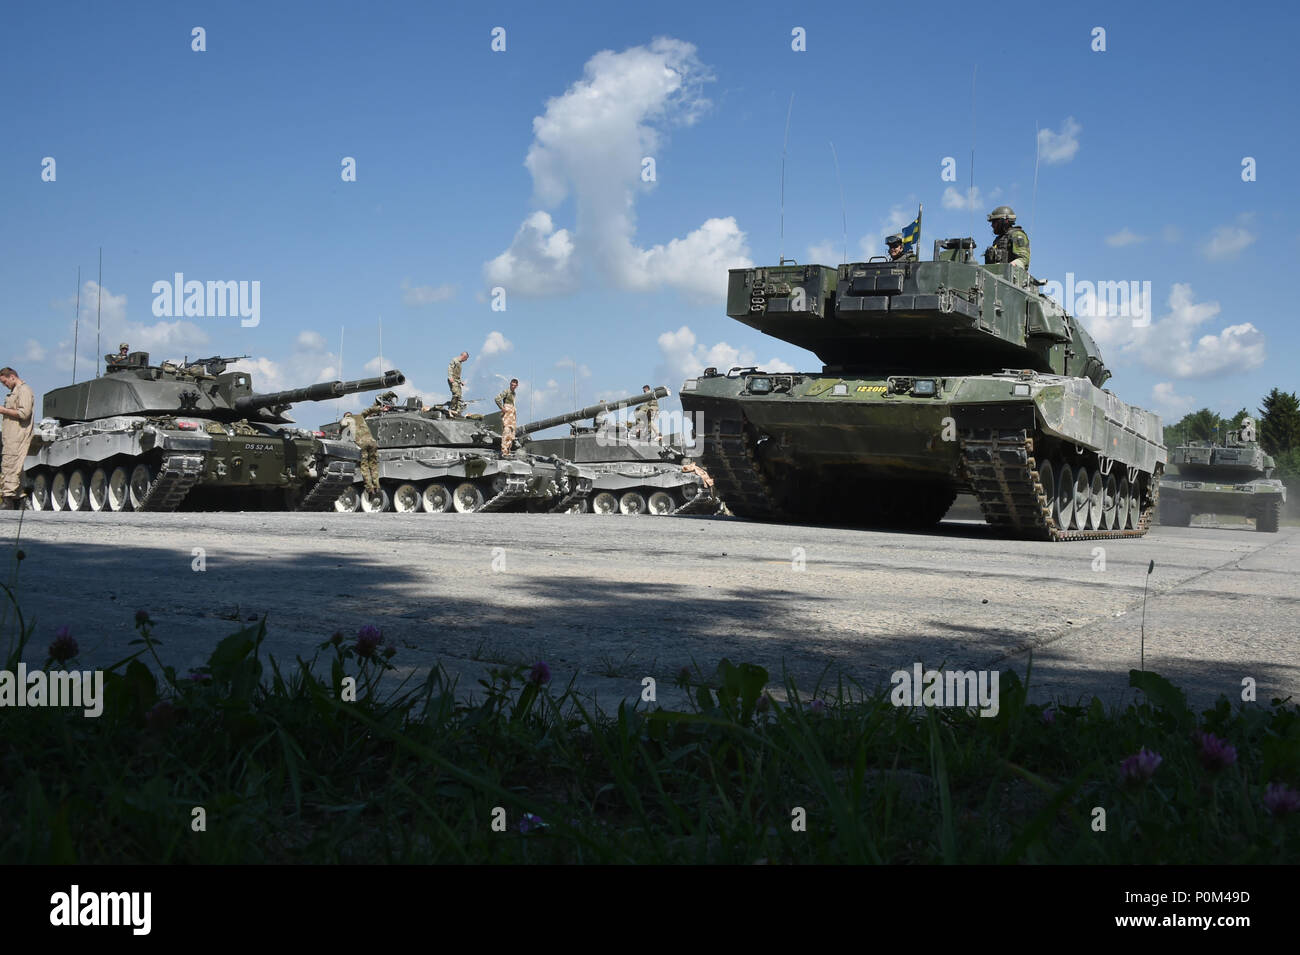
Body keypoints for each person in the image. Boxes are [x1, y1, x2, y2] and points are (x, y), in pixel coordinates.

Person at [0, 367, 36, 509]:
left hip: (17, 436)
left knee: (9, 465)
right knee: (16, 468)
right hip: (11, 436)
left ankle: (7, 498)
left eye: (5, 382)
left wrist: (3, 410)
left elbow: (24, 413)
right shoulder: (15, 392)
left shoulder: (24, 390)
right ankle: (19, 499)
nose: (4, 385)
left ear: (12, 377)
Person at [340, 411, 380, 496]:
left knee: (364, 466)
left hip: (362, 444)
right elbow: (368, 411)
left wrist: (340, 430)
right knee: (373, 465)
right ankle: (377, 485)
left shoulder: (347, 419)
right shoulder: (359, 416)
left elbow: (343, 427)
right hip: (372, 443)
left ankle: (370, 488)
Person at [495, 378, 519, 457]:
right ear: (510, 384)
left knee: (511, 433)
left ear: (516, 386)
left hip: (512, 412)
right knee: (506, 431)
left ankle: (508, 451)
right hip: (507, 411)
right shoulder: (507, 391)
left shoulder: (513, 393)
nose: (513, 386)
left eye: (514, 385)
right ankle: (504, 451)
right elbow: (497, 398)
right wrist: (502, 408)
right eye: (511, 385)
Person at [447, 351, 470, 417]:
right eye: (466, 359)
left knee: (459, 396)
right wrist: (450, 377)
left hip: (457, 381)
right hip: (453, 380)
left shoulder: (460, 363)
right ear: (464, 357)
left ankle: (457, 411)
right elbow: (450, 368)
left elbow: (457, 375)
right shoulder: (455, 360)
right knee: (456, 394)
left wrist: (461, 381)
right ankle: (451, 408)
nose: (466, 361)